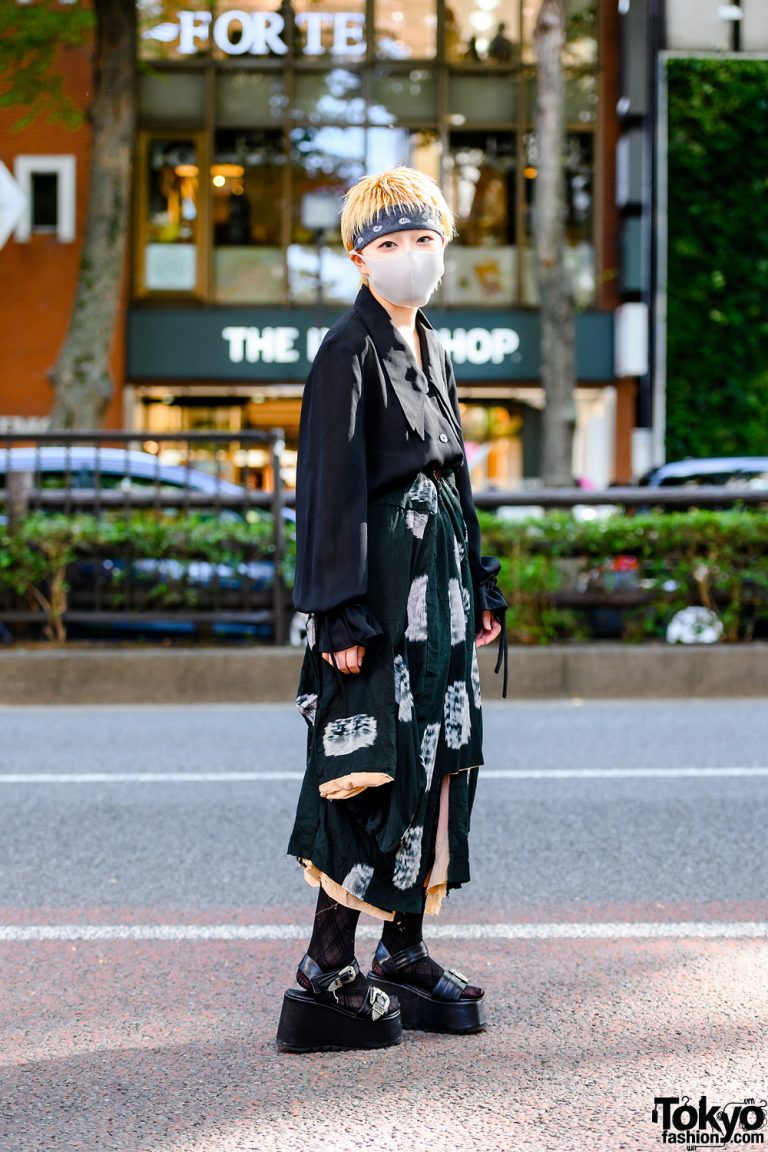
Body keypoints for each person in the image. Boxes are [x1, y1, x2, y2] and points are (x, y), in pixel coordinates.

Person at [275, 167, 508, 1054]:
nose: (409, 258)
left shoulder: (435, 349)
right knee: (368, 767)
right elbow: (326, 488)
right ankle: (326, 967)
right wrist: (333, 613)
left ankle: (400, 953)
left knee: (440, 763)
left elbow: (453, 476)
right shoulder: (348, 352)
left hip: (439, 590)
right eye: (389, 244)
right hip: (374, 597)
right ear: (358, 257)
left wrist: (479, 585)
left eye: (424, 241)